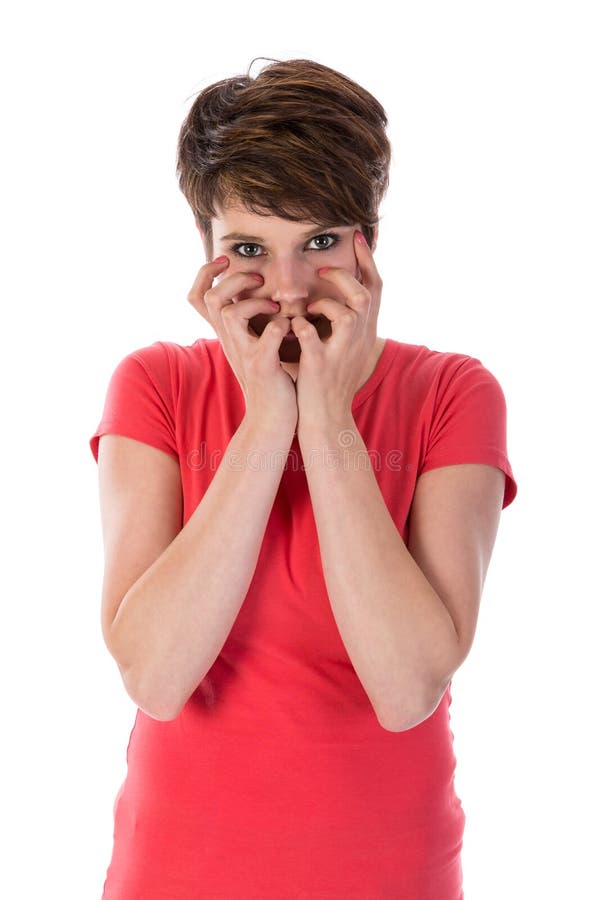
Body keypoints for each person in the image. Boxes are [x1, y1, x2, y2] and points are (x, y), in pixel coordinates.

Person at [89, 57, 517, 899]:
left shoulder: (454, 393)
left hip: (392, 877)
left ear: (371, 243)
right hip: (177, 875)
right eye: (250, 248)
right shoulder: (156, 386)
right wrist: (265, 421)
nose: (286, 288)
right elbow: (155, 675)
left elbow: (407, 688)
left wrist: (325, 419)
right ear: (206, 255)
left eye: (319, 242)